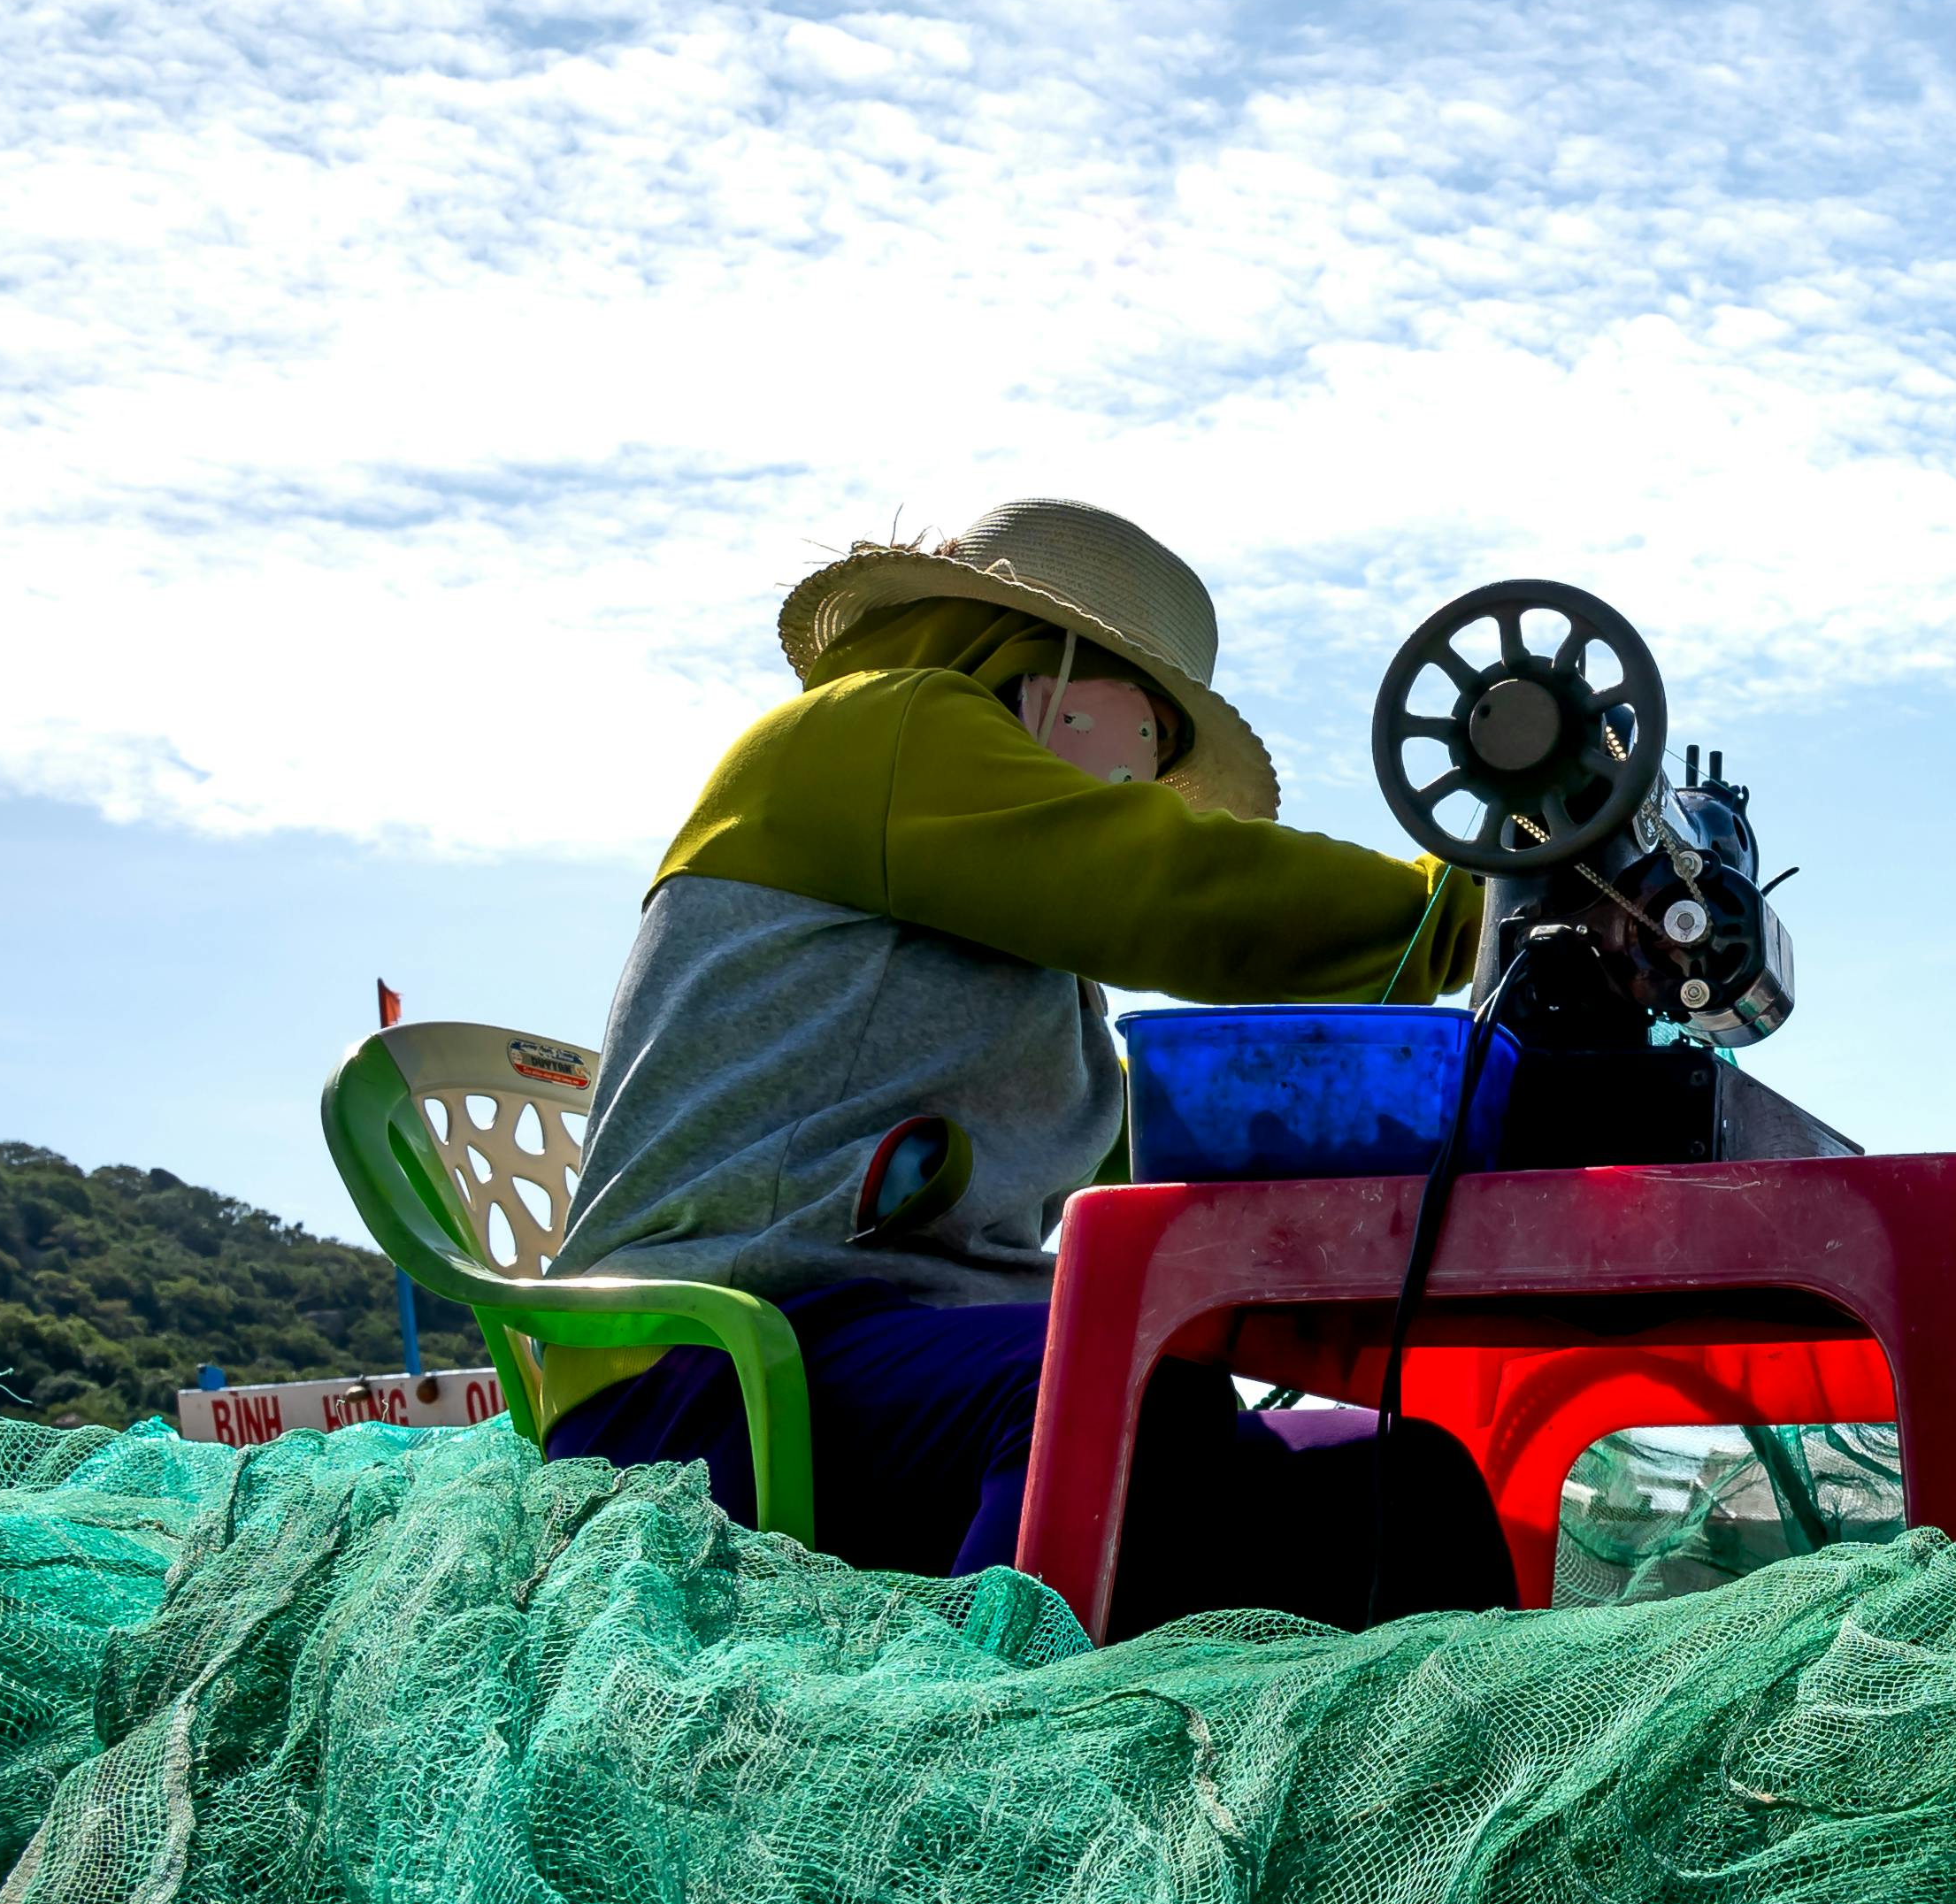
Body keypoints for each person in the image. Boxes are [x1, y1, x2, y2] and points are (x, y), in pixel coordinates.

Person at [540, 498, 1519, 1631]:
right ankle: (977, 1776)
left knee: (1401, 1478)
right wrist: (1475, 907)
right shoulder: (881, 728)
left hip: (881, 1363)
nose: (1148, 785)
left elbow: (1152, 1136)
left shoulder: (1004, 929)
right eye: (1149, 732)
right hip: (713, 1374)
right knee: (1125, 1384)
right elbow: (1180, 890)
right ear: (1044, 670)